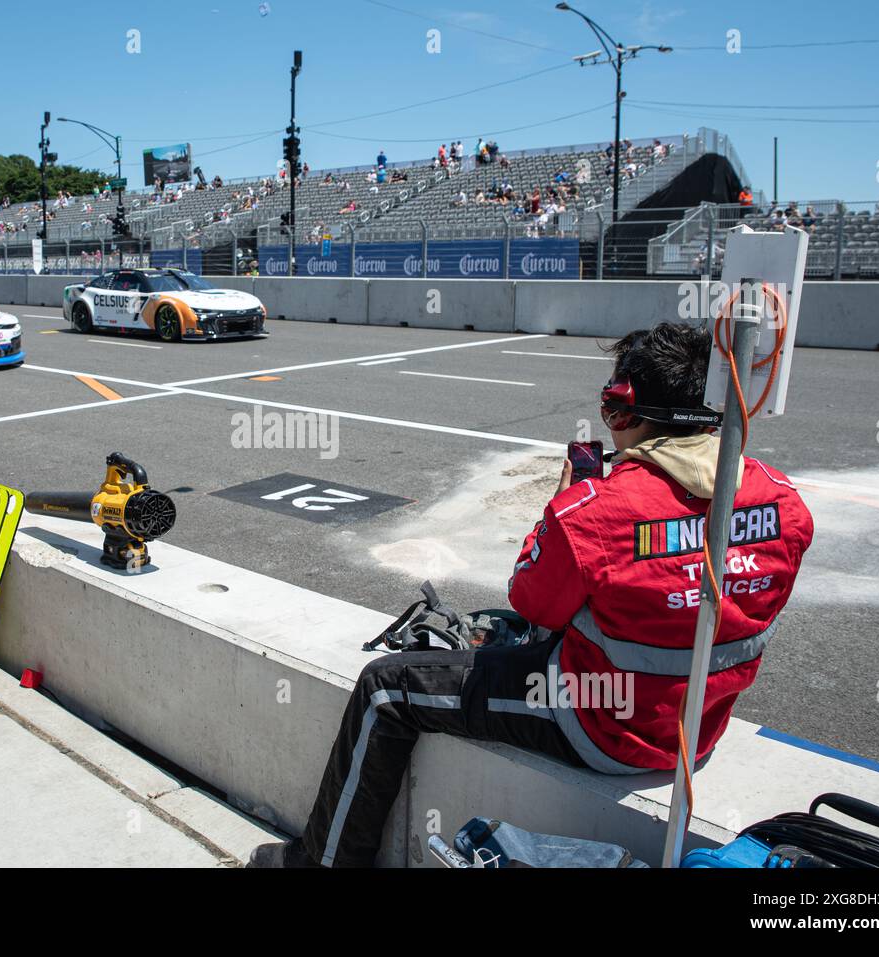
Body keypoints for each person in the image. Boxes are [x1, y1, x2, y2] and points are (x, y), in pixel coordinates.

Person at [248, 321, 815, 867]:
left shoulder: (597, 510)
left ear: (625, 406)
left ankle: (320, 863)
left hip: (605, 726)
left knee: (385, 688)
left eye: (612, 409)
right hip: (698, 732)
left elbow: (530, 599)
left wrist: (563, 505)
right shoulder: (784, 501)